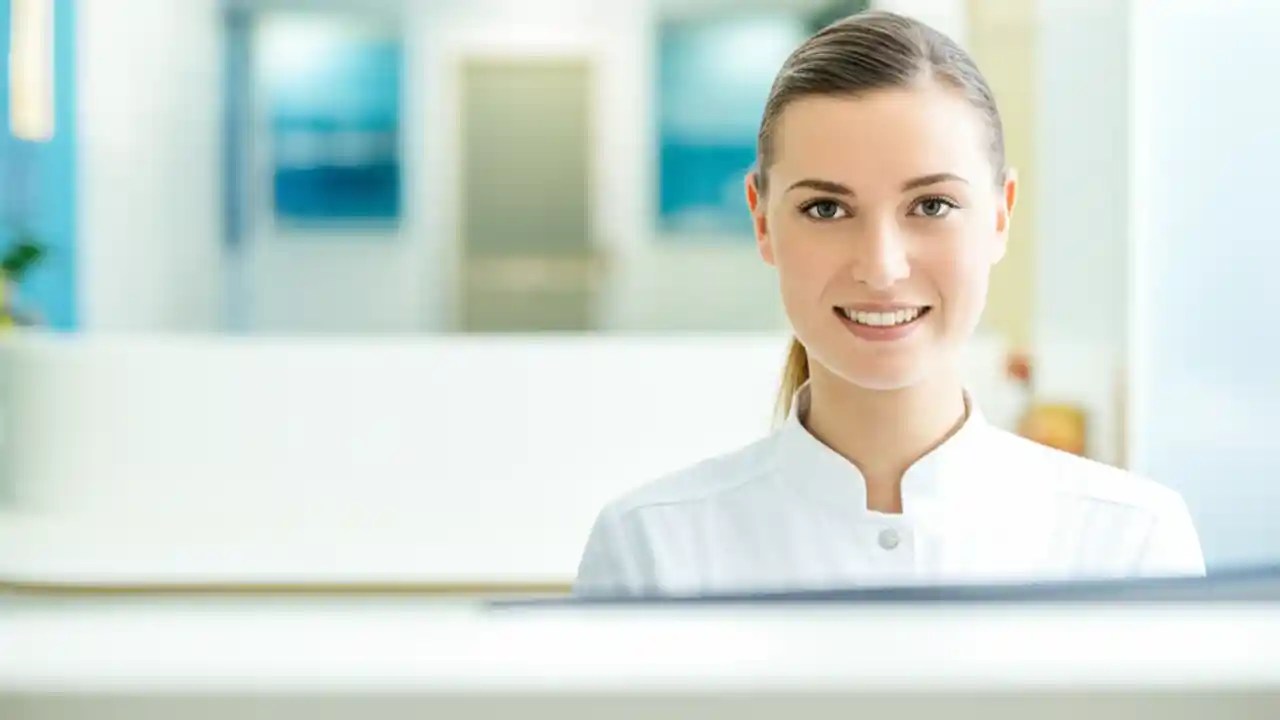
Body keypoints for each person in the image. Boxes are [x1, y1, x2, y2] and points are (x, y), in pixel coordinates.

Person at [574, 11, 1204, 597]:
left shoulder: (1131, 546)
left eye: (931, 206)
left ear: (1000, 215)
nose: (881, 266)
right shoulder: (650, 553)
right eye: (826, 208)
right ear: (761, 221)